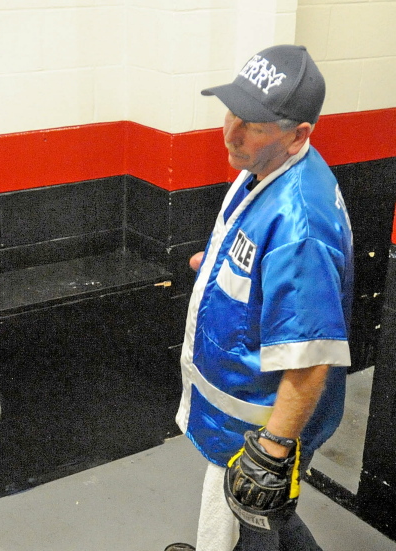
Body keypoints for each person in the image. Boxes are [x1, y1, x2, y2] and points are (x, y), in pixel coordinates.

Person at [167, 45, 354, 551]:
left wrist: (272, 450)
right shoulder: (262, 169)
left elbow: (312, 356)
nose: (229, 131)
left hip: (261, 424)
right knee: (259, 517)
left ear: (299, 135)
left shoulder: (302, 225)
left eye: (252, 123)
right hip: (241, 411)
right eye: (232, 111)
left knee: (255, 519)